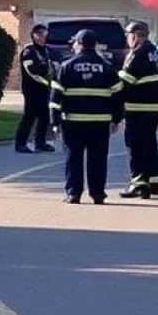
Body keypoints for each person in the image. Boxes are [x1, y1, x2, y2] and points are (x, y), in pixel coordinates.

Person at [49, 29, 124, 205]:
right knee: (97, 159)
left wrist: (55, 122)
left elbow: (55, 99)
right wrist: (116, 119)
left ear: (79, 44)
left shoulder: (66, 67)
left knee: (73, 158)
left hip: (73, 122)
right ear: (95, 45)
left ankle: (73, 194)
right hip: (99, 122)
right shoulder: (107, 67)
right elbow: (118, 97)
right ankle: (97, 194)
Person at [117, 20, 158, 199]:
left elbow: (125, 82)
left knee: (135, 145)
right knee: (150, 144)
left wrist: (114, 102)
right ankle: (154, 183)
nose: (127, 40)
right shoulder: (157, 53)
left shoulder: (136, 54)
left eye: (129, 36)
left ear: (136, 35)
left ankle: (138, 183)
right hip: (155, 107)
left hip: (137, 106)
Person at [15, 23, 55, 154]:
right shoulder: (28, 51)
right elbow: (31, 71)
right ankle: (20, 144)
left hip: (44, 89)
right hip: (31, 89)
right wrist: (46, 82)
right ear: (33, 35)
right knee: (29, 116)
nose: (41, 37)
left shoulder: (46, 51)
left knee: (45, 116)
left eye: (44, 34)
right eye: (39, 34)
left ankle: (40, 142)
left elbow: (50, 68)